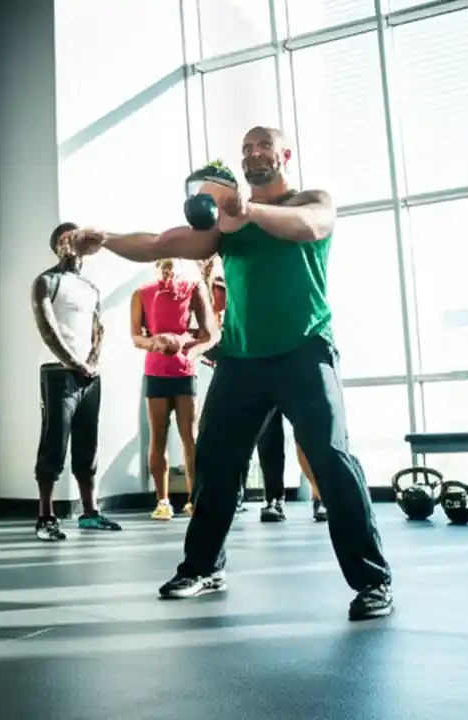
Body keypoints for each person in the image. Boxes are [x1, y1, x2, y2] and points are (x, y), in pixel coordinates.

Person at [68, 128, 393, 621]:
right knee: (216, 464)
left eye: (263, 146)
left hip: (305, 350)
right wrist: (105, 239)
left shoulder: (310, 200)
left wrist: (245, 209)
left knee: (331, 458)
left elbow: (308, 226)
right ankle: (201, 567)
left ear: (284, 155)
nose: (253, 154)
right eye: (246, 149)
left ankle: (373, 581)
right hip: (241, 358)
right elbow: (161, 241)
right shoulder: (226, 227)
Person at [199, 255, 327, 524]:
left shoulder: (240, 280)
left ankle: (320, 497)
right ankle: (273, 499)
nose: (204, 262)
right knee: (264, 438)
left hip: (287, 356)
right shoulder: (202, 294)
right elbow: (211, 332)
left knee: (308, 435)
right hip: (245, 367)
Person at [29, 222, 123, 540]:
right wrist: (75, 363)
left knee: (88, 445)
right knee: (54, 443)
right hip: (58, 373)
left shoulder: (90, 288)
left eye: (77, 239)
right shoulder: (46, 281)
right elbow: (47, 328)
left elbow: (99, 329)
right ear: (57, 246)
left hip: (88, 376)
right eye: (66, 240)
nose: (72, 245)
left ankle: (89, 513)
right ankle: (46, 518)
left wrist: (92, 363)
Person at [134, 259, 216, 520]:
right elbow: (136, 336)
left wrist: (183, 342)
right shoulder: (142, 293)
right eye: (163, 265)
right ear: (156, 266)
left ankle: (195, 499)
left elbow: (207, 333)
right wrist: (154, 342)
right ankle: (162, 502)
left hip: (183, 371)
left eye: (172, 264)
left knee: (190, 437)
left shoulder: (192, 289)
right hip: (156, 372)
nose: (168, 269)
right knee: (157, 436)